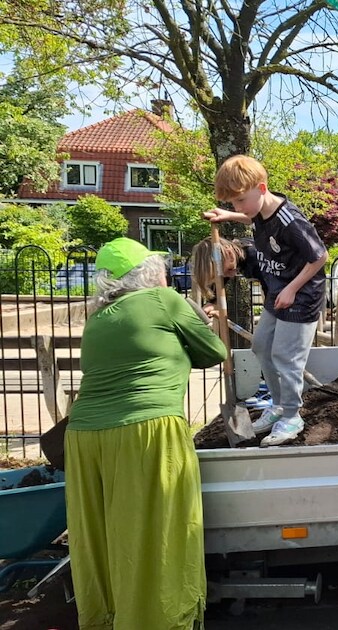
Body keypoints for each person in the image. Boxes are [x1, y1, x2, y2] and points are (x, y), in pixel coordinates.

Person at [65, 237, 227, 629]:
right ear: (150, 272)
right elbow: (215, 353)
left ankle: (108, 619)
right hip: (146, 432)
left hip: (84, 438)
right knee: (158, 534)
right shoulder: (163, 301)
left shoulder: (99, 319)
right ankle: (159, 620)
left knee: (104, 540)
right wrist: (200, 317)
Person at [203, 154, 329, 446]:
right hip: (278, 291)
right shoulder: (259, 211)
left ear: (261, 189)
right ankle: (277, 405)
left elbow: (320, 256)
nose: (238, 207)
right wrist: (230, 216)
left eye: (239, 202)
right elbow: (251, 214)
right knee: (261, 347)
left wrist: (292, 289)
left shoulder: (290, 220)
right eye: (233, 204)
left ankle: (292, 416)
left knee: (286, 356)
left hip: (300, 296)